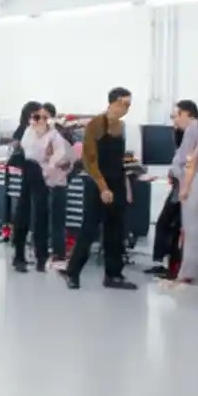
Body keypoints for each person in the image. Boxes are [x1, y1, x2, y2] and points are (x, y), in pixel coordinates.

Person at [65, 87, 137, 290]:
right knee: (89, 229)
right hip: (97, 184)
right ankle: (73, 272)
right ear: (113, 102)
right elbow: (89, 160)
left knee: (116, 230)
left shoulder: (121, 128)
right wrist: (103, 187)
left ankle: (113, 275)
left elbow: (121, 160)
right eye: (125, 103)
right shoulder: (96, 125)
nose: (127, 108)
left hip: (117, 183)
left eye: (129, 104)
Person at [167, 100, 198, 288]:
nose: (175, 120)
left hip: (194, 182)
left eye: (177, 115)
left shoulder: (192, 131)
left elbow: (190, 163)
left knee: (192, 230)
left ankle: (187, 274)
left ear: (188, 114)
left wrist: (185, 188)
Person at [29, 103, 76, 272]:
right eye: (39, 117)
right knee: (40, 219)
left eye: (46, 117)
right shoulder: (37, 135)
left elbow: (70, 159)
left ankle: (59, 255)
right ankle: (40, 255)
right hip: (42, 182)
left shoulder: (61, 135)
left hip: (58, 183)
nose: (42, 120)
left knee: (57, 220)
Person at [8, 101, 43, 270]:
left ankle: (37, 256)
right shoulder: (23, 130)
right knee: (24, 215)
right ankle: (19, 255)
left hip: (41, 178)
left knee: (39, 217)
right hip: (29, 177)